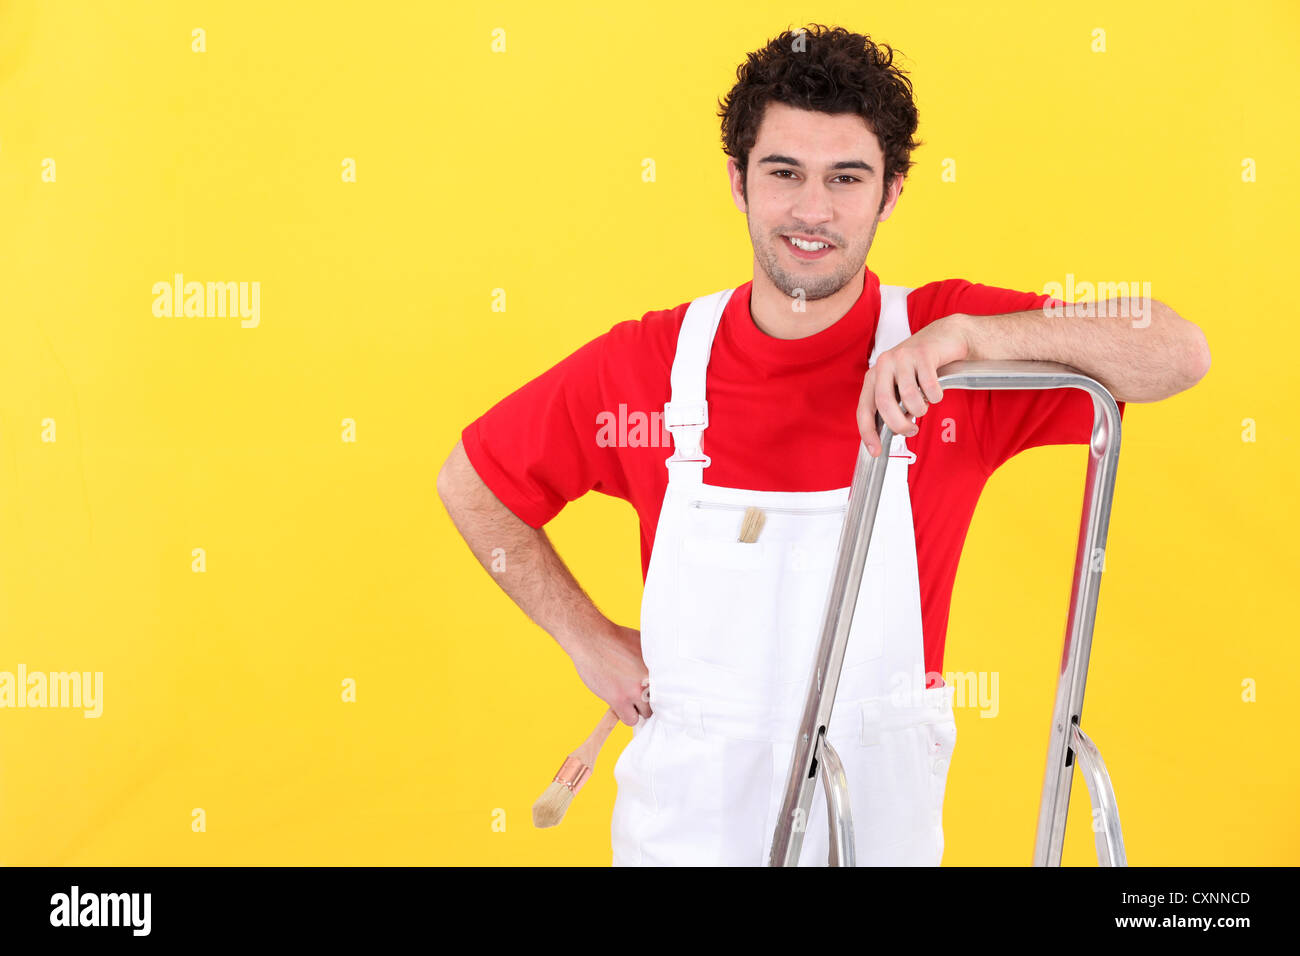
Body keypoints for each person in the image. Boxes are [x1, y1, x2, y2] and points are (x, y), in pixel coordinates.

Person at [437, 24, 1210, 866]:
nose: (813, 211)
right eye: (784, 174)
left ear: (891, 192)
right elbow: (472, 483)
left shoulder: (948, 346)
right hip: (686, 835)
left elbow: (1175, 350)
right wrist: (585, 638)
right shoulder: (649, 366)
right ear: (738, 182)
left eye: (847, 178)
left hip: (873, 829)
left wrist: (972, 340)